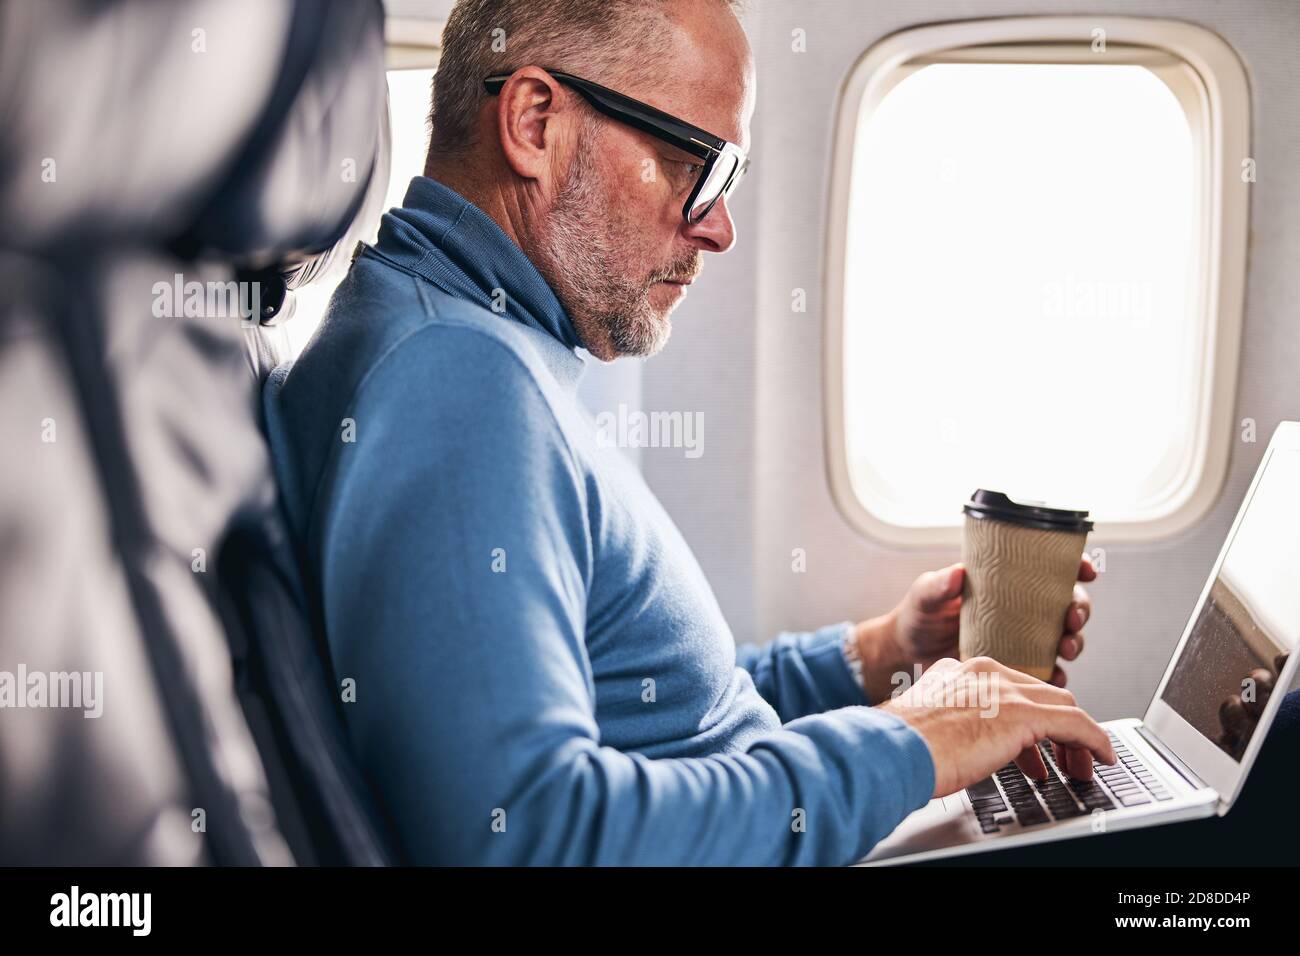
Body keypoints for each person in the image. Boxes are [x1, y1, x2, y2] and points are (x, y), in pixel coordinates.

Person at [263, 0, 1113, 866]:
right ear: (534, 123)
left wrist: (882, 652)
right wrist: (913, 744)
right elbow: (530, 835)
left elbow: (655, 707)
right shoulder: (451, 382)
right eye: (691, 165)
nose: (719, 226)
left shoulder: (489, 345)